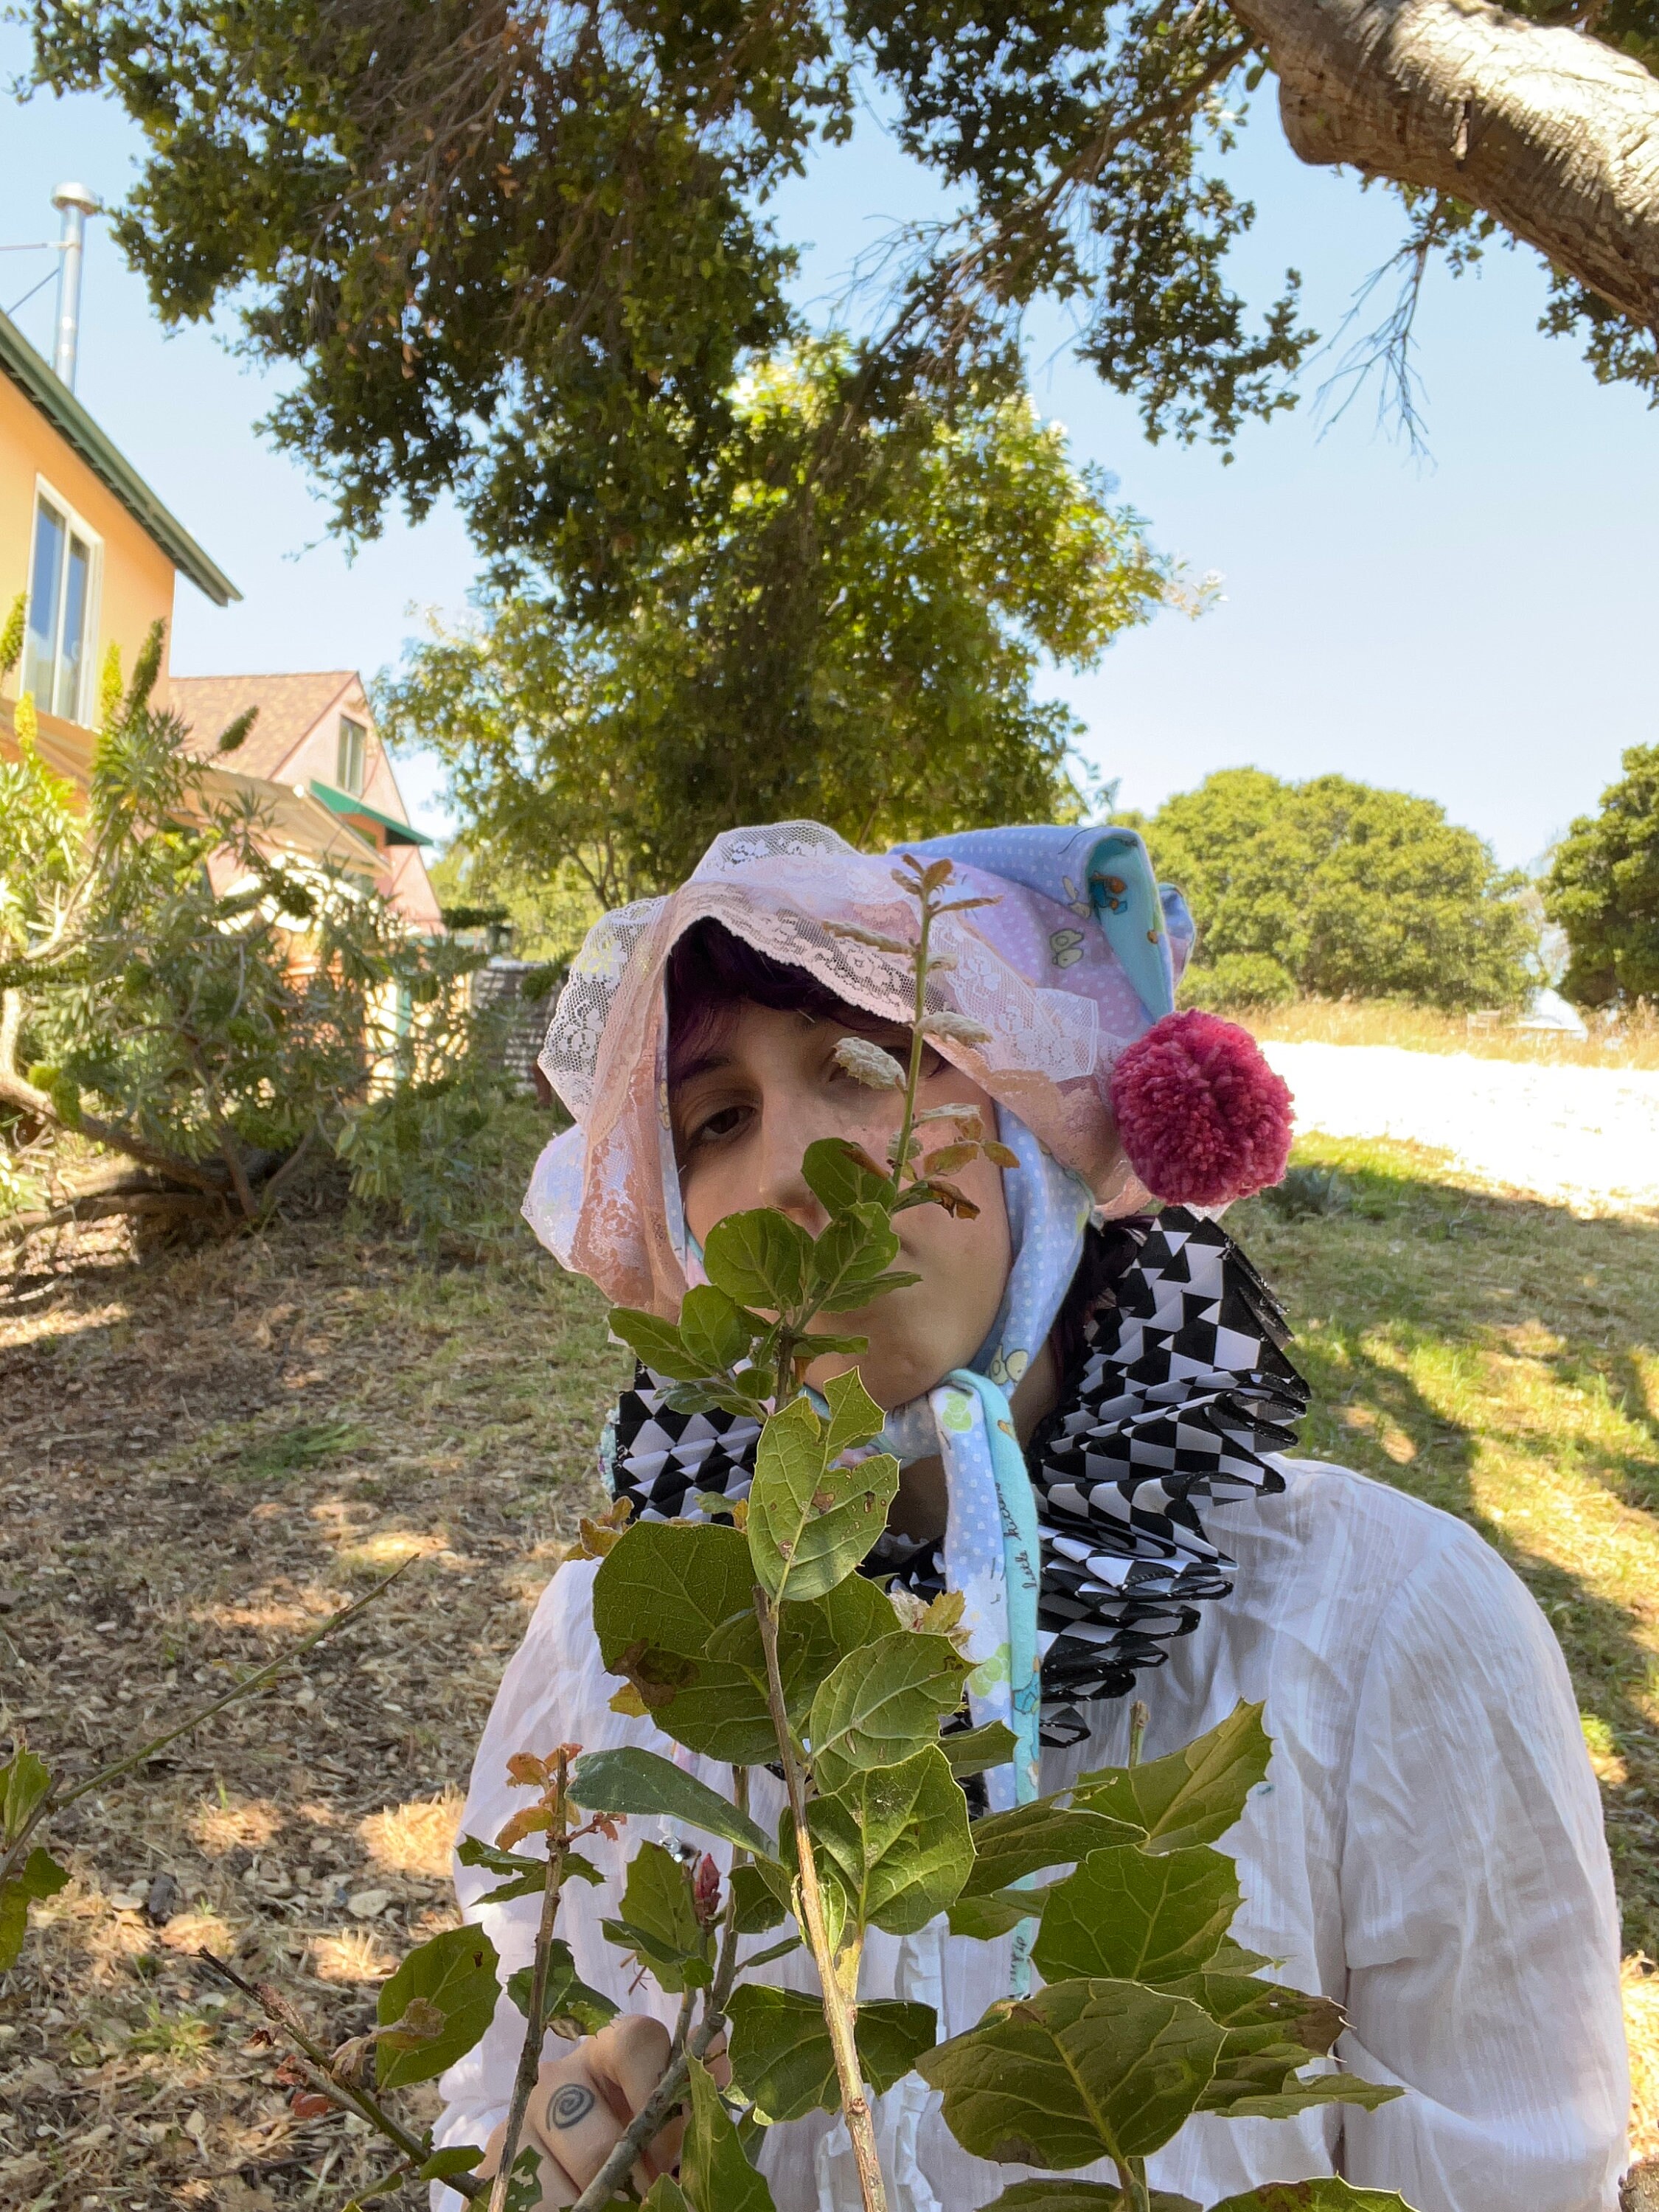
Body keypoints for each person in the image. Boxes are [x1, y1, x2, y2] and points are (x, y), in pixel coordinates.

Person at [434, 820, 1628, 2211]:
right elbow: (501, 2079)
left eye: (868, 1068)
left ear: (1033, 1126)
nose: (785, 1175)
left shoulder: (1389, 1622)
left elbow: (1508, 2173)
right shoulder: (615, 1631)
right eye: (716, 1122)